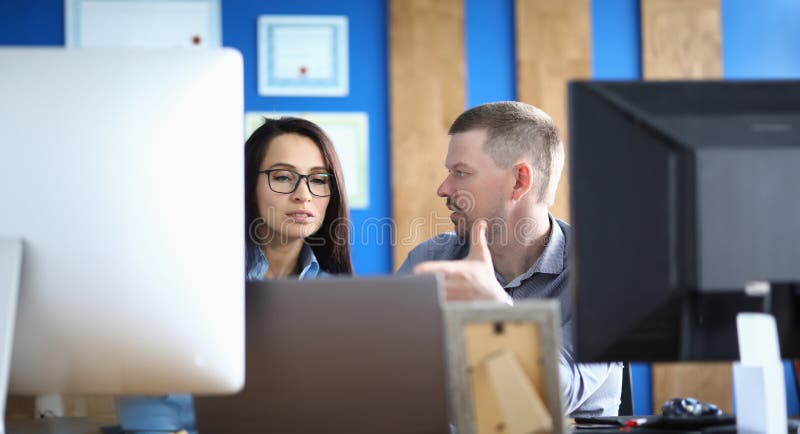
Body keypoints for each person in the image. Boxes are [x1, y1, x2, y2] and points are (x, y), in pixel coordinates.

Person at [114, 117, 353, 433]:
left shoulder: (342, 299)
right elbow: (145, 413)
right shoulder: (188, 282)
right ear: (246, 185)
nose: (303, 195)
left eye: (319, 179)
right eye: (282, 177)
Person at [398, 101, 622, 417]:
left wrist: (494, 306)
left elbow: (552, 398)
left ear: (519, 181)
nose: (443, 188)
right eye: (449, 172)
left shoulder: (606, 273)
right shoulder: (432, 259)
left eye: (461, 173)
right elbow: (388, 376)